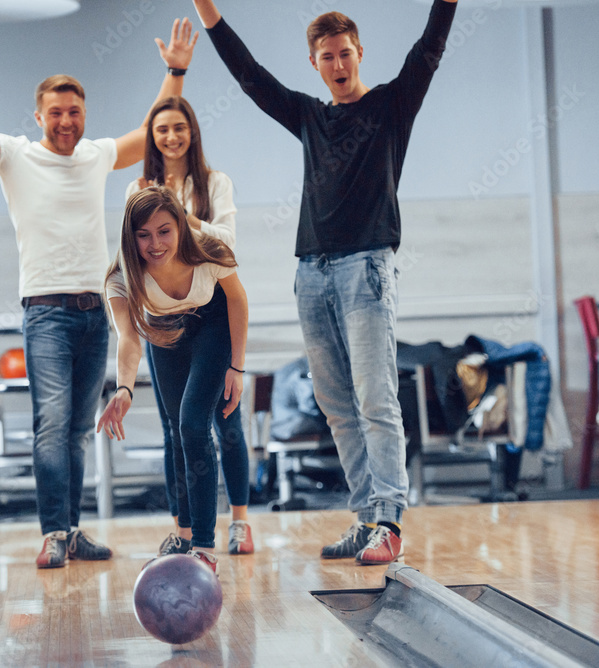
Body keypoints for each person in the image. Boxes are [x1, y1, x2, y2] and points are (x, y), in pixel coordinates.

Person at [0, 0, 197, 568]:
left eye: (74, 111)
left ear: (84, 114)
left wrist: (175, 71)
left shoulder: (96, 156)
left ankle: (70, 532)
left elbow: (152, 132)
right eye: (56, 113)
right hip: (46, 313)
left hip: (97, 311)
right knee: (51, 423)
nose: (66, 121)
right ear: (39, 116)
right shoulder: (14, 156)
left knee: (76, 431)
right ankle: (52, 531)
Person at [190, 0, 457, 565]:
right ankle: (365, 520)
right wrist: (206, 10)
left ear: (359, 54)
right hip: (311, 272)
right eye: (327, 57)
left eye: (345, 54)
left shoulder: (391, 105)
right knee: (336, 405)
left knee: (375, 398)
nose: (338, 64)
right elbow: (250, 77)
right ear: (314, 63)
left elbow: (428, 51)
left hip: (366, 269)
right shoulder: (310, 116)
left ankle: (389, 522)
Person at [126, 96, 253, 557]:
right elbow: (136, 247)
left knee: (223, 420)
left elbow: (226, 241)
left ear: (192, 132)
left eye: (179, 127)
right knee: (176, 428)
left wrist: (178, 216)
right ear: (152, 137)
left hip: (211, 307)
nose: (171, 136)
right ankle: (182, 530)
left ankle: (239, 519)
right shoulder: (137, 186)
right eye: (162, 129)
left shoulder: (215, 183)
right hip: (164, 316)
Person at [98, 186, 249, 573]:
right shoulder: (120, 277)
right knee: (176, 431)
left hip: (212, 324)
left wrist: (237, 367)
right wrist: (124, 389)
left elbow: (237, 299)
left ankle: (205, 547)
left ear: (181, 226)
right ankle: (183, 535)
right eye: (144, 235)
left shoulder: (210, 250)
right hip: (165, 332)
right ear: (131, 237)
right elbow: (128, 338)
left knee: (194, 425)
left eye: (164, 231)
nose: (155, 244)